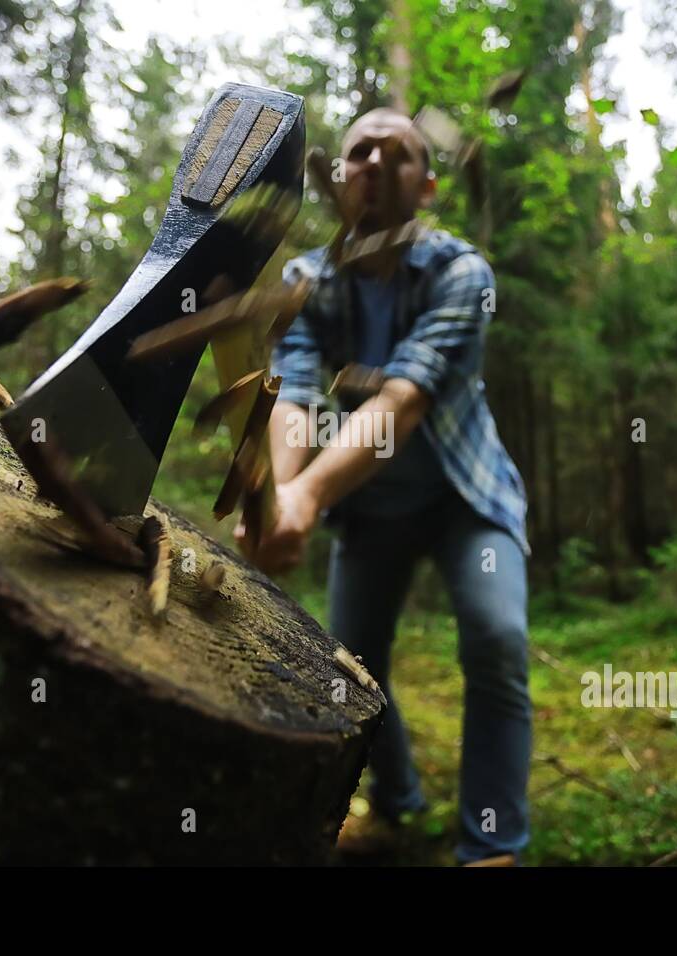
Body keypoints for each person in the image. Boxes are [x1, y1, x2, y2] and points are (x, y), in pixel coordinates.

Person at [235, 107, 532, 866]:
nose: (371, 161)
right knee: (353, 669)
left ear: (427, 185)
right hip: (369, 509)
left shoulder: (463, 274)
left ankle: (492, 844)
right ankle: (396, 799)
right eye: (358, 150)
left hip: (466, 495)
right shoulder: (308, 282)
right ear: (340, 178)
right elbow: (295, 394)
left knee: (496, 638)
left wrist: (304, 499)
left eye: (396, 153)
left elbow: (403, 400)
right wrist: (280, 497)